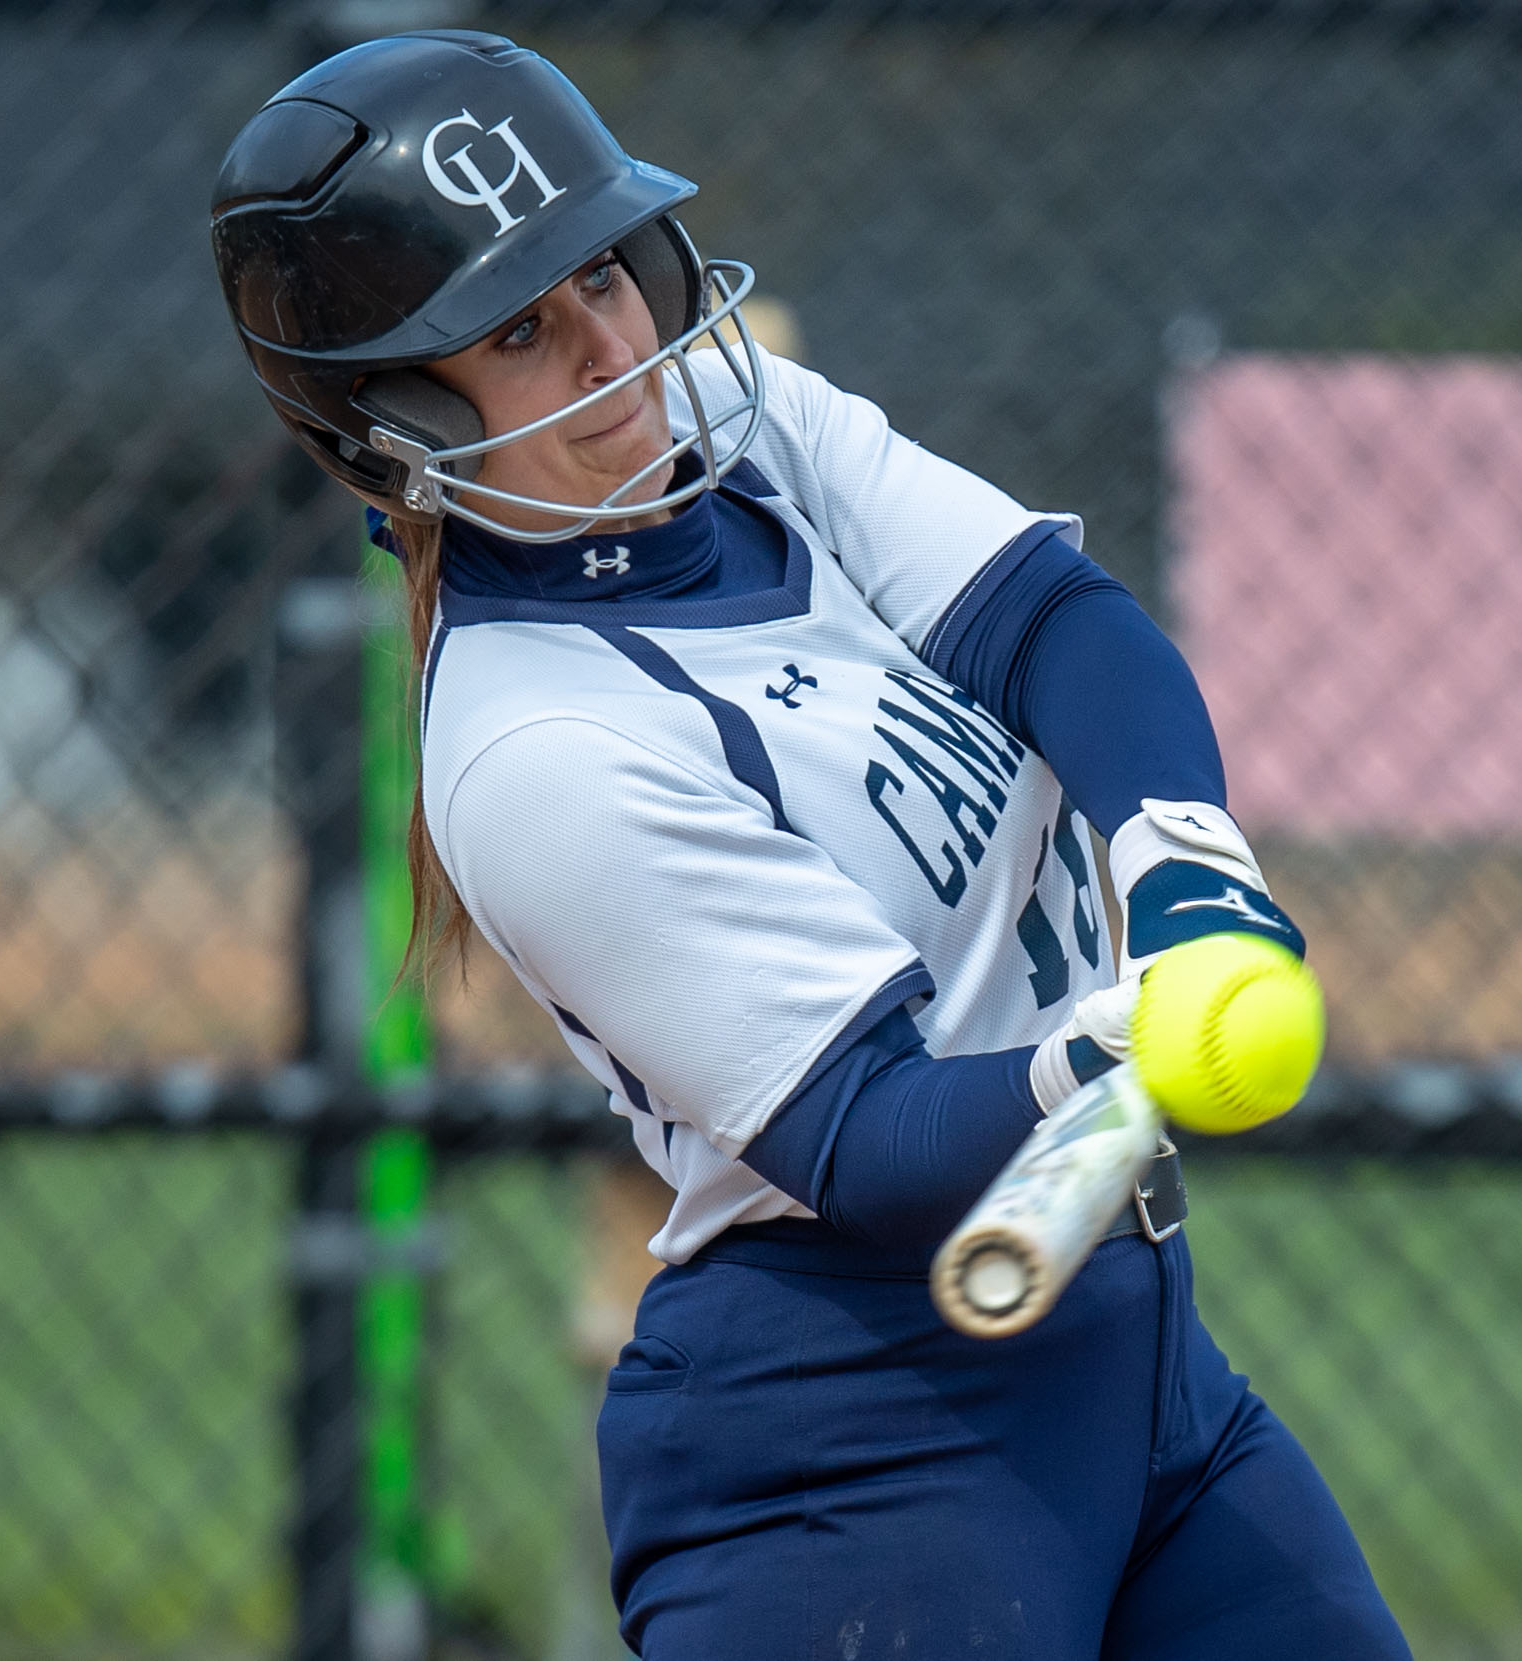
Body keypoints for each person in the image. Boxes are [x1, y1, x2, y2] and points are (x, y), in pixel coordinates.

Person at [212, 30, 1411, 1660]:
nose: (602, 348)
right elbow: (875, 1136)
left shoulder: (727, 417)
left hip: (1134, 1365)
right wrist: (1128, 1038)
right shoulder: (535, 747)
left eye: (600, 277)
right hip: (862, 1447)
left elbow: (1052, 624)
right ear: (395, 421)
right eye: (514, 331)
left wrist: (1185, 869)